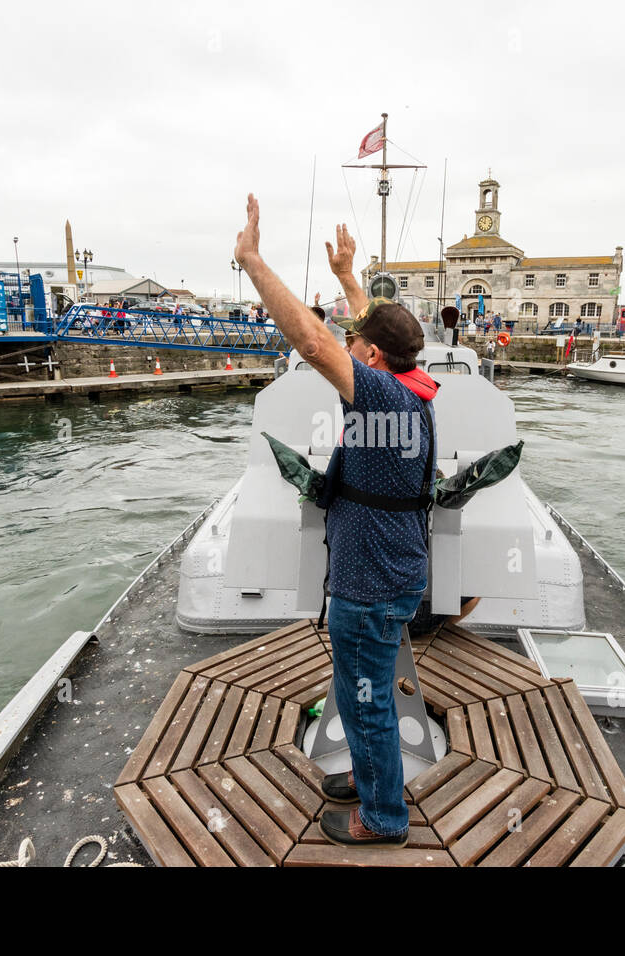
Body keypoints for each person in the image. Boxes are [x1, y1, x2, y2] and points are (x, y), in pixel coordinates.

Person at [234, 197, 436, 850]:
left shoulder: (377, 393)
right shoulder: (411, 385)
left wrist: (252, 261)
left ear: (373, 358)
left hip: (371, 583)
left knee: (370, 702)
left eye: (359, 344)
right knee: (356, 695)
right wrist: (350, 276)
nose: (347, 347)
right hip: (387, 572)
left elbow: (313, 340)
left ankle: (383, 818)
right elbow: (363, 332)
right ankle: (370, 778)